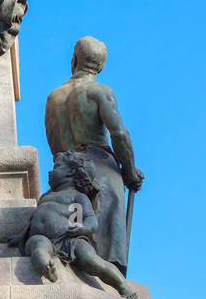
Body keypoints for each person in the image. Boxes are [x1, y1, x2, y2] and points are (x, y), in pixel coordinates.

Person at [44, 36, 143, 277]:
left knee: (71, 241)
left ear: (74, 60)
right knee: (103, 252)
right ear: (100, 67)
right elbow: (119, 133)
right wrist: (130, 171)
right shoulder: (99, 92)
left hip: (65, 177)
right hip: (100, 173)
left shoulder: (53, 97)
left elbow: (53, 142)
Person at [22, 152, 137, 298]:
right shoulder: (46, 196)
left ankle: (122, 285)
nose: (50, 171)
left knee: (91, 260)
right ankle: (46, 267)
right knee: (38, 247)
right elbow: (34, 219)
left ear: (71, 172)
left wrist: (81, 228)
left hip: (71, 239)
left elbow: (90, 221)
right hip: (42, 237)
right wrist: (21, 235)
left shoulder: (77, 197)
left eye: (57, 167)